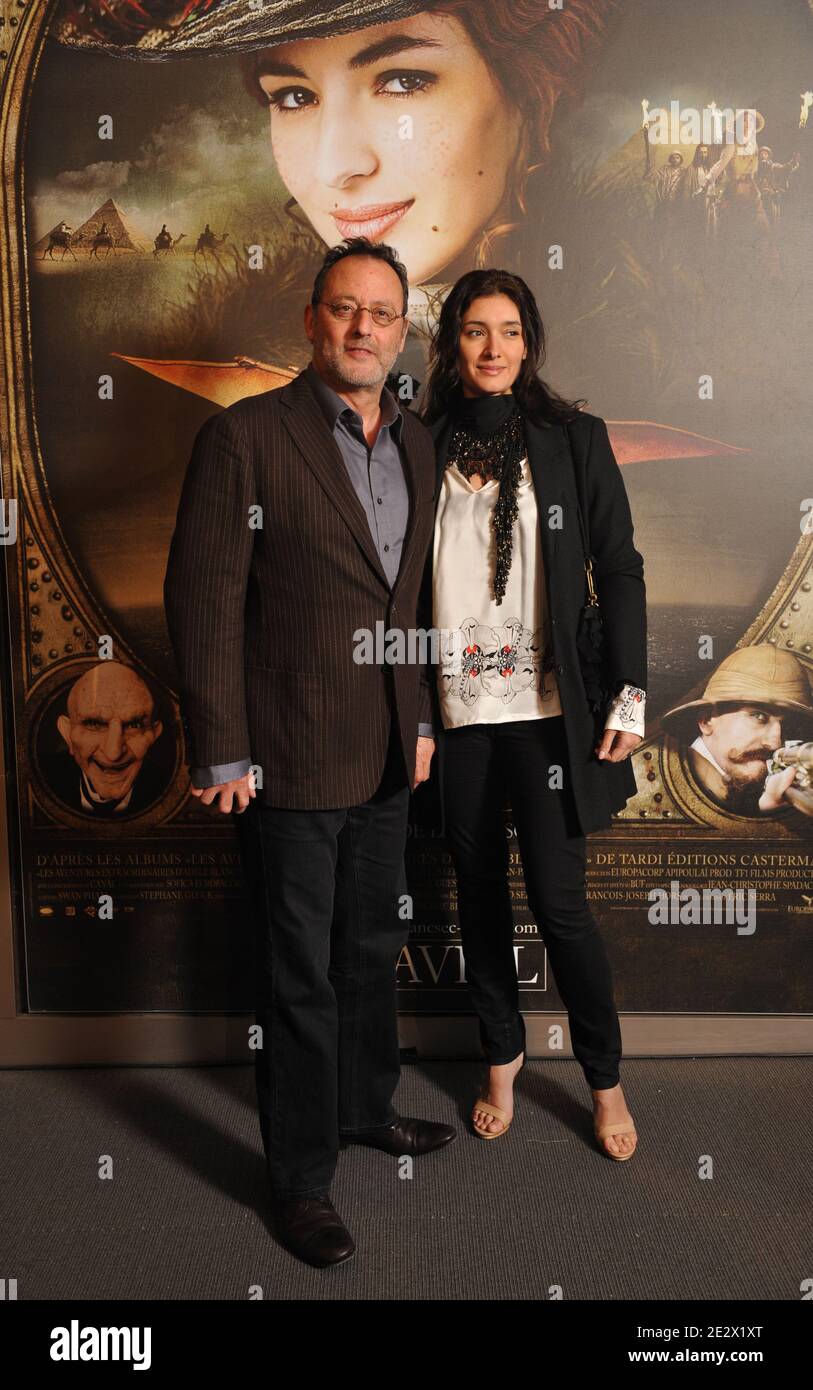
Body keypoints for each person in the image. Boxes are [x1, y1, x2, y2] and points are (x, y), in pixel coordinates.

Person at [163, 235, 455, 1269]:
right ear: (311, 319)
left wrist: (419, 719)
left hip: (385, 753)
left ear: (403, 327)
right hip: (280, 757)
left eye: (382, 311)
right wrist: (222, 749)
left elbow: (410, 597)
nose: (363, 327)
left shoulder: (417, 440)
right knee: (298, 975)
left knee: (368, 953)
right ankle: (299, 1181)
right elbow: (202, 600)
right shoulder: (245, 437)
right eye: (344, 308)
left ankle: (363, 1107)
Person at [418, 268, 647, 1160]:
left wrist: (628, 695)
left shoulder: (570, 438)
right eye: (475, 331)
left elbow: (618, 567)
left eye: (508, 331)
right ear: (451, 344)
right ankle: (501, 1060)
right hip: (458, 711)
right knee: (474, 899)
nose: (492, 348)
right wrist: (413, 716)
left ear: (530, 340)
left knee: (559, 908)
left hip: (551, 712)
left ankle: (603, 1080)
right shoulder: (417, 440)